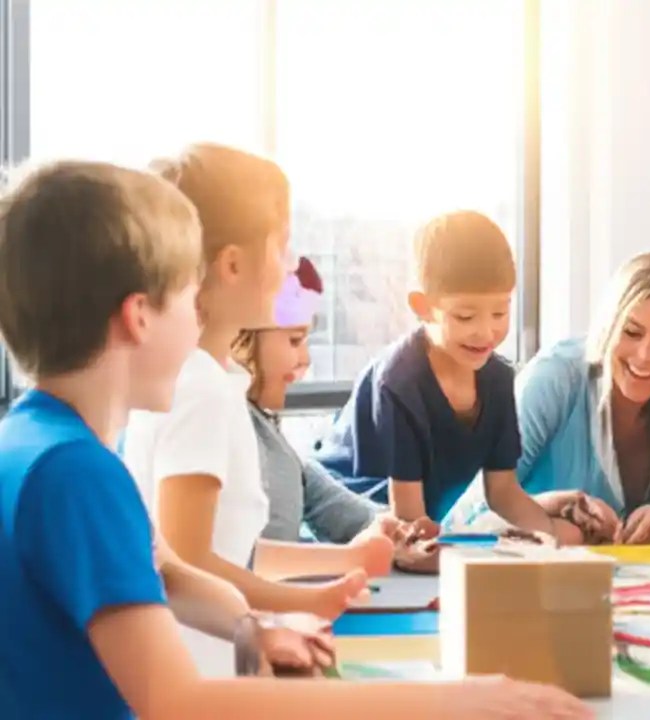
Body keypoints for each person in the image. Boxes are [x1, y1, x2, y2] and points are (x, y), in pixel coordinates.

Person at [0, 159, 590, 719]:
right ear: (140, 317)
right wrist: (448, 703)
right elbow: (177, 703)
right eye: (188, 298)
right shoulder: (76, 474)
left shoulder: (44, 447)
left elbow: (169, 569)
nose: (201, 321)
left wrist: (252, 625)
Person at [122, 144, 369, 677]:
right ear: (233, 264)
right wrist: (295, 605)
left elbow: (230, 549)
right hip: (201, 672)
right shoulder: (201, 390)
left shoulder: (204, 381)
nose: (288, 268)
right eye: (281, 249)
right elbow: (186, 560)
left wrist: (334, 573)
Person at [446, 251, 650, 545]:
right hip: (536, 586)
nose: (645, 357)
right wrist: (548, 509)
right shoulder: (556, 378)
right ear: (609, 325)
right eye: (631, 332)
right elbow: (463, 521)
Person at [314, 211, 556, 536]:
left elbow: (504, 493)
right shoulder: (399, 382)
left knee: (563, 535)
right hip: (353, 515)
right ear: (423, 307)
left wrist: (553, 543)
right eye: (465, 316)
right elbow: (408, 517)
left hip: (420, 519)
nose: (486, 332)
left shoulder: (497, 379)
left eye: (500, 311)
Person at [231, 256, 435, 580]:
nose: (306, 359)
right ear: (241, 338)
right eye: (295, 340)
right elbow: (234, 560)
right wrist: (351, 557)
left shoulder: (270, 437)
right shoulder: (226, 426)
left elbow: (336, 508)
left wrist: (398, 532)